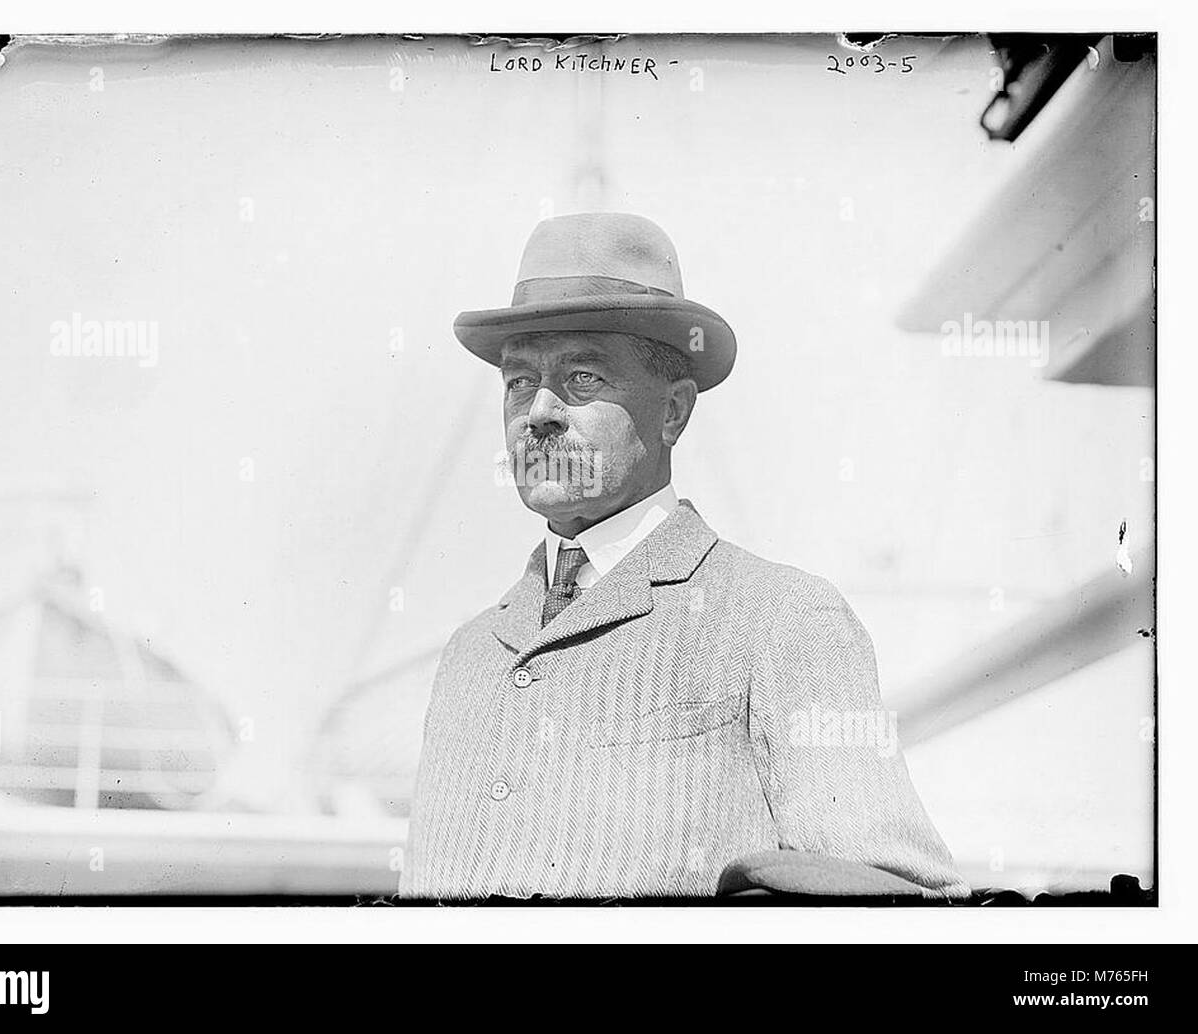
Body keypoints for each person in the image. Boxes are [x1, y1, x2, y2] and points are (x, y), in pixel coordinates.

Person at [399, 212, 968, 900]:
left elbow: (898, 901)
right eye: (519, 381)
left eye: (581, 378)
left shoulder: (781, 620)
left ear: (673, 412)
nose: (539, 410)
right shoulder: (469, 658)